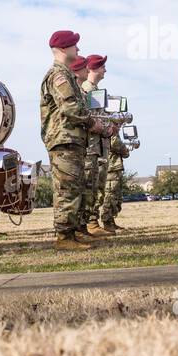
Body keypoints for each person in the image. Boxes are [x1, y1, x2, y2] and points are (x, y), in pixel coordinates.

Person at [40, 29, 111, 251]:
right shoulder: (58, 75)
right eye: (74, 45)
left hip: (71, 139)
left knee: (74, 188)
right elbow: (71, 108)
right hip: (64, 140)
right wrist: (94, 125)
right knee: (66, 190)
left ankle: (70, 233)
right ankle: (64, 237)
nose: (78, 49)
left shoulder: (66, 75)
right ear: (63, 48)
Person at [79, 54, 115, 237]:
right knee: (89, 186)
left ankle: (93, 221)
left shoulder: (95, 90)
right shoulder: (86, 90)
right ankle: (90, 222)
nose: (105, 70)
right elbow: (89, 119)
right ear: (93, 68)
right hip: (90, 148)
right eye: (102, 67)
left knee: (96, 186)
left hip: (99, 147)